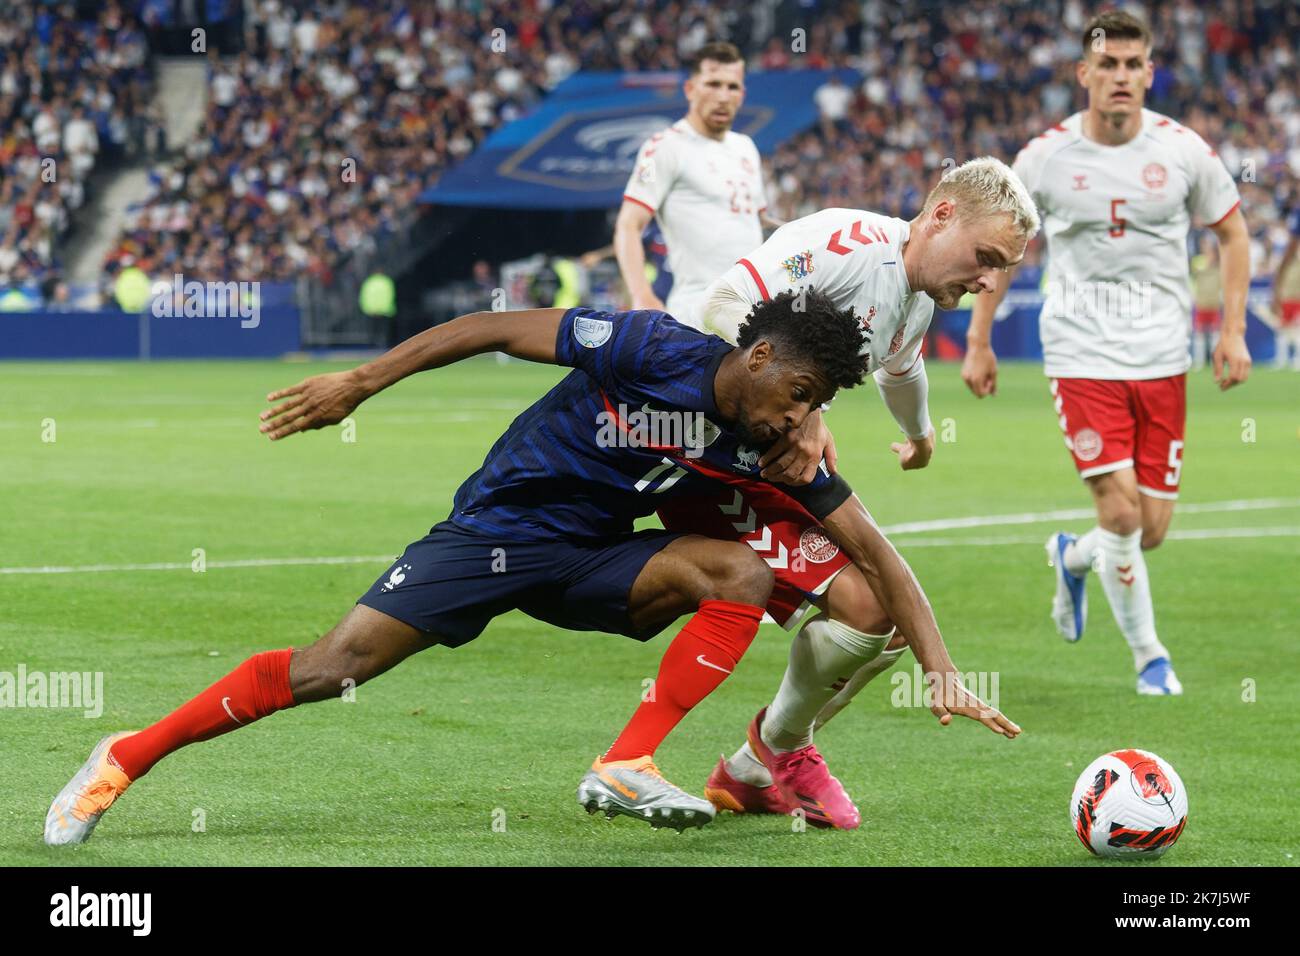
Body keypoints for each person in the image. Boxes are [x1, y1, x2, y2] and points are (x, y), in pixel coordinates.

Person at [45, 292, 1018, 846]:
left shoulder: (773, 447)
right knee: (328, 667)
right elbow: (489, 327)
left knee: (740, 572)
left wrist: (939, 665)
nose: (797, 418)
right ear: (756, 354)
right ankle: (123, 757)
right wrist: (358, 380)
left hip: (593, 557)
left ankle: (626, 760)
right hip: (494, 530)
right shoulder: (646, 345)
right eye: (797, 394)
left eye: (811, 406)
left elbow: (875, 552)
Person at [678, 157, 1038, 822]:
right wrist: (806, 407)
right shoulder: (844, 246)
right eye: (986, 257)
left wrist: (921, 434)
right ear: (941, 216)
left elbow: (901, 368)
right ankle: (761, 755)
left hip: (770, 455)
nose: (990, 280)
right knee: (877, 605)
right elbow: (721, 307)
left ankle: (764, 761)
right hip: (706, 446)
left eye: (1002, 269)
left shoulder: (917, 298)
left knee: (887, 616)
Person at [960, 9, 1252, 696]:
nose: (1120, 77)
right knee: (1119, 514)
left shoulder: (1184, 151)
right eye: (1108, 65)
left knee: (1148, 530)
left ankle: (1073, 557)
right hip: (1079, 350)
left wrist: (1232, 330)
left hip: (1162, 356)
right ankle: (1151, 658)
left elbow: (1233, 236)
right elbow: (1001, 248)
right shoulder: (1043, 158)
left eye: (1132, 66)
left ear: (1149, 73)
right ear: (1084, 74)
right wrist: (978, 339)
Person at [614, 41, 781, 329]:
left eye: (732, 87)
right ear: (690, 89)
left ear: (742, 95)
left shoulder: (745, 147)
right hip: (697, 312)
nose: (723, 96)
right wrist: (642, 294)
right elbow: (629, 225)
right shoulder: (665, 147)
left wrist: (818, 230)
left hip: (754, 310)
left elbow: (758, 221)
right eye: (713, 84)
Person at [1270, 201, 1300, 369]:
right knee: (1285, 327)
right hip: (1289, 295)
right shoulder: (1285, 261)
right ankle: (1282, 359)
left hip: (1295, 294)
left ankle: (1296, 359)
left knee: (1296, 327)